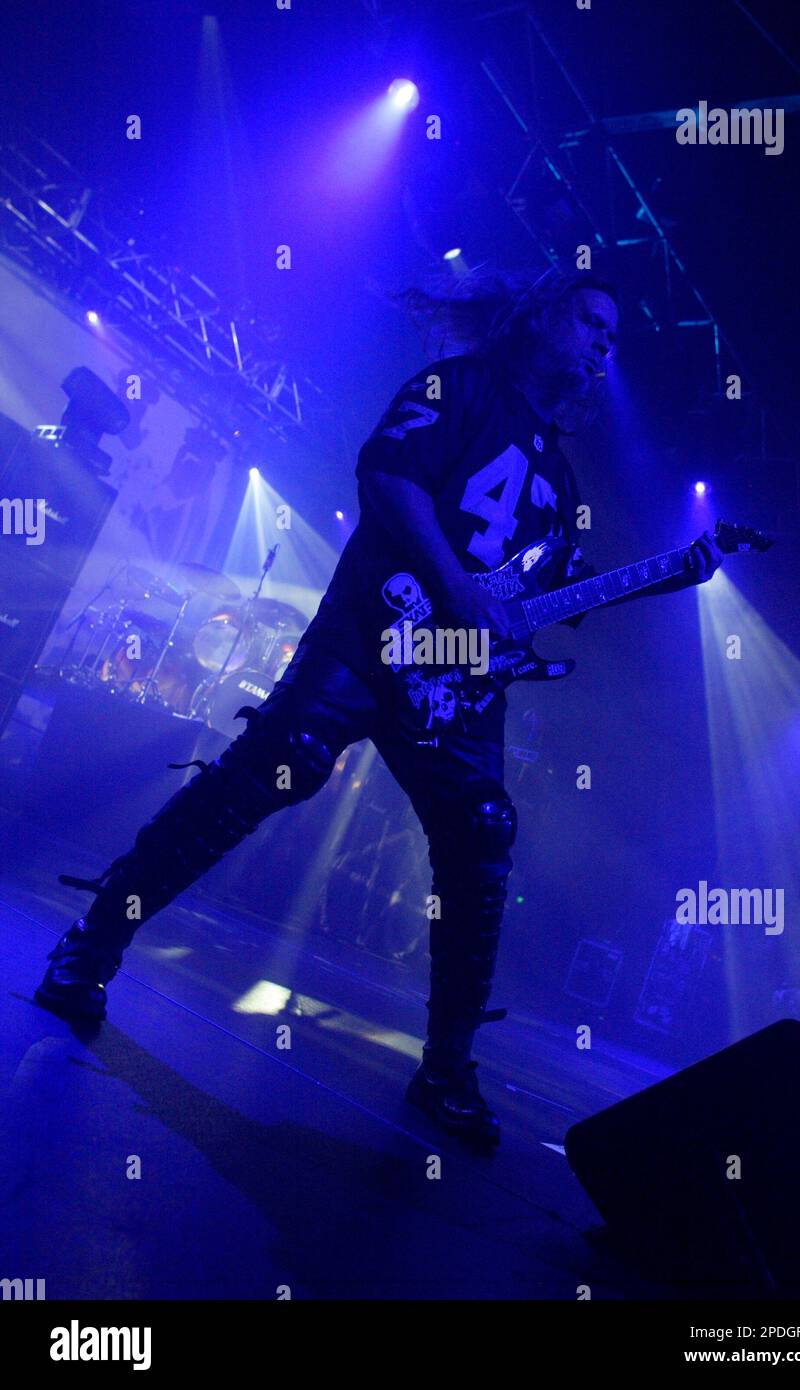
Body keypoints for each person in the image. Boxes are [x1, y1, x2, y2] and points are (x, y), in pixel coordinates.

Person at [35, 270, 723, 1149]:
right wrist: (457, 592)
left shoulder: (562, 478)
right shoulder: (459, 387)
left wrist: (664, 576)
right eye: (590, 321)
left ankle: (444, 1069)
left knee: (481, 837)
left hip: (455, 683)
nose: (602, 344)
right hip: (372, 632)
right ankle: (93, 944)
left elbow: (543, 597)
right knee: (262, 777)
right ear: (544, 319)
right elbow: (388, 479)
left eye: (610, 336)